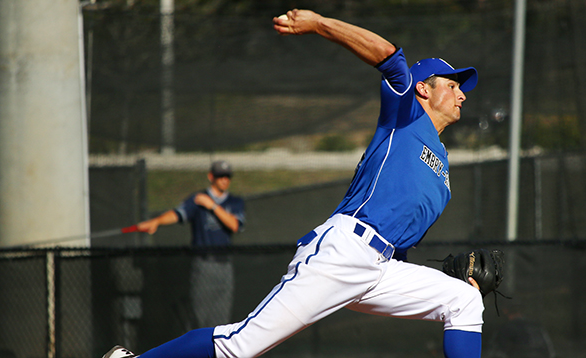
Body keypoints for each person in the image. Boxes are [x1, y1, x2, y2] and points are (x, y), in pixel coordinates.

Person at [104, 8, 484, 358]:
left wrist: (438, 274)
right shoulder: (404, 114)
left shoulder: (443, 168)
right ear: (423, 89)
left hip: (382, 266)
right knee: (240, 346)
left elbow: (400, 225)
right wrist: (318, 23)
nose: (461, 93)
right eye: (451, 85)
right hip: (344, 252)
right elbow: (389, 55)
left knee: (464, 300)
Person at [136, 160, 246, 328]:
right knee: (199, 317)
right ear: (211, 177)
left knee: (221, 321)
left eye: (227, 176)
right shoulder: (197, 199)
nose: (224, 180)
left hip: (225, 266)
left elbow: (235, 225)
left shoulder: (234, 202)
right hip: (204, 265)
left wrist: (211, 205)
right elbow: (177, 214)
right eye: (220, 176)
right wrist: (157, 221)